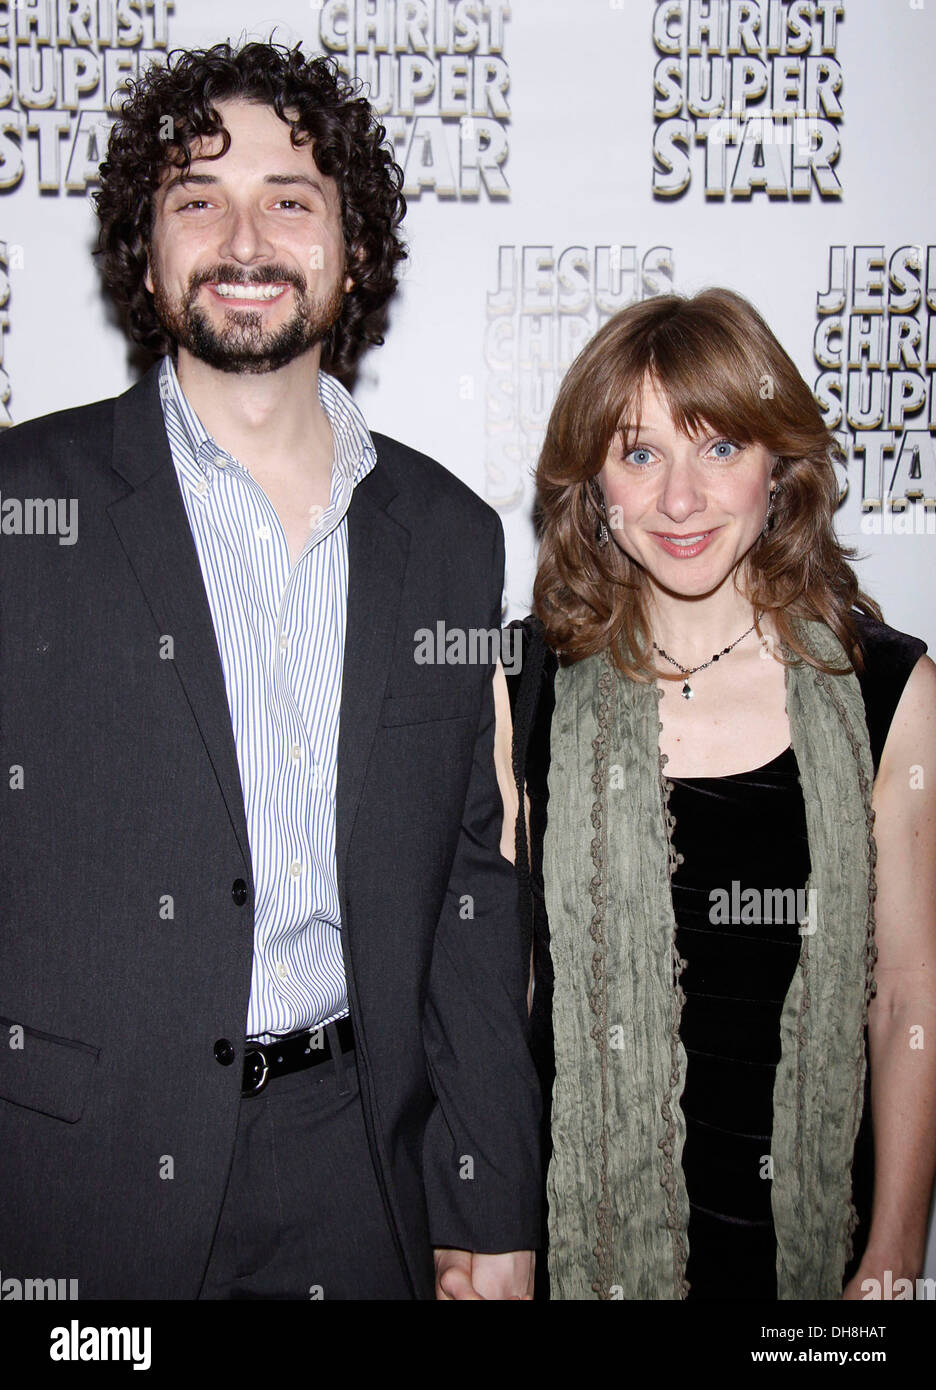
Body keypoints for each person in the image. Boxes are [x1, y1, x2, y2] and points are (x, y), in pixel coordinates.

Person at [0, 40, 540, 1301]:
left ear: (351, 254)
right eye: (199, 199)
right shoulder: (22, 506)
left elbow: (473, 893)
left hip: (359, 1166)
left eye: (291, 199)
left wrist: (492, 1193)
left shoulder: (452, 537)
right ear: (148, 253)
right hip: (72, 1183)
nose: (245, 236)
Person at [504, 288, 936, 1300]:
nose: (682, 501)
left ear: (781, 470)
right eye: (641, 453)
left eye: (720, 448)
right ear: (593, 485)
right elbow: (500, 998)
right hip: (572, 1250)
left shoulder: (888, 693)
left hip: (806, 1262)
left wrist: (894, 1257)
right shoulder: (521, 689)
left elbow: (909, 998)